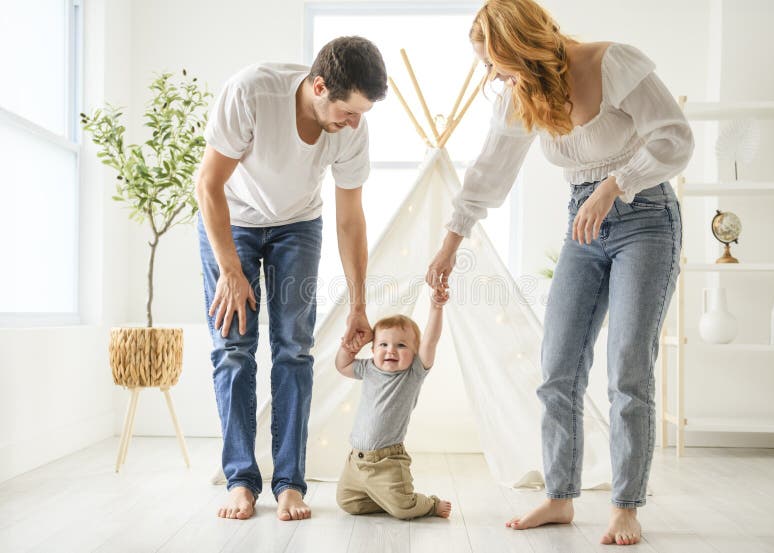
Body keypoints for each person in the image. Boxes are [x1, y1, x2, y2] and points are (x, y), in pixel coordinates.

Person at [426, 0, 693, 546]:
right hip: (584, 227)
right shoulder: (520, 95)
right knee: (557, 368)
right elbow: (488, 173)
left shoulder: (613, 63)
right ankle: (560, 495)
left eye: (495, 62)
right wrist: (448, 246)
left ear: (519, 44)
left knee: (628, 366)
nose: (493, 76)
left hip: (645, 220)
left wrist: (616, 183)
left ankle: (626, 504)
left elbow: (674, 137)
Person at [195, 36, 387, 522]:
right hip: (232, 218)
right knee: (234, 345)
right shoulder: (251, 93)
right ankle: (240, 479)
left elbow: (350, 219)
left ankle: (289, 485)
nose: (353, 123)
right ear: (319, 86)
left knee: (294, 350)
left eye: (362, 114)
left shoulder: (350, 129)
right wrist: (231, 271)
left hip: (299, 224)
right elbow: (208, 184)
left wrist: (359, 304)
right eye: (348, 111)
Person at [333, 294, 453, 520]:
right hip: (356, 461)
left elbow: (430, 341)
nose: (391, 351)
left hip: (387, 462)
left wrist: (436, 307)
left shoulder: (412, 374)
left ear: (415, 352)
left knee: (403, 509)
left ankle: (429, 505)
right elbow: (342, 365)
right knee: (347, 502)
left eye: (401, 345)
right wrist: (348, 347)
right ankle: (383, 497)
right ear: (372, 349)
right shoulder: (368, 369)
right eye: (383, 344)